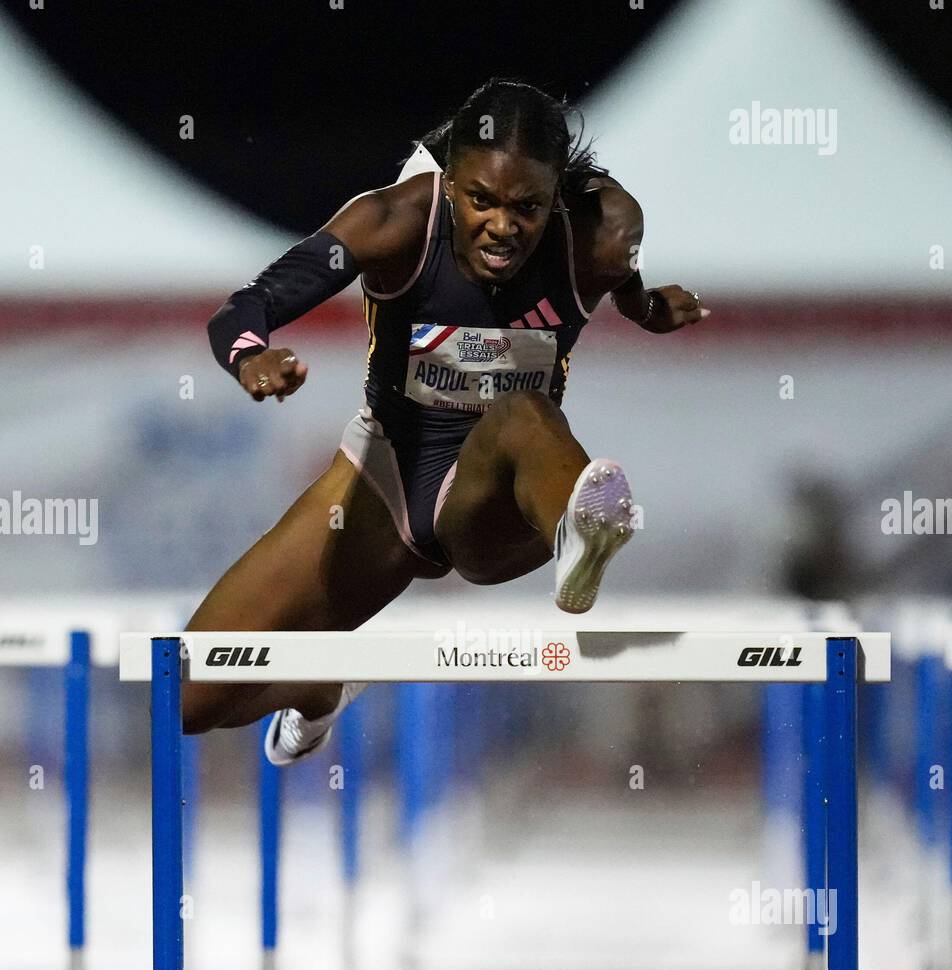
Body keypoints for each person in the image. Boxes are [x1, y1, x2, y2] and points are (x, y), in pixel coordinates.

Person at [190, 78, 709, 763]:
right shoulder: (395, 221)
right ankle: (321, 688)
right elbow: (243, 308)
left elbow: (623, 279)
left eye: (527, 206)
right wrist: (250, 357)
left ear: (558, 195)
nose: (503, 226)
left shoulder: (604, 231)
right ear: (449, 183)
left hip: (498, 501)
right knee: (189, 694)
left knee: (523, 414)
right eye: (481, 201)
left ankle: (579, 534)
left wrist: (647, 310)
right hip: (384, 479)